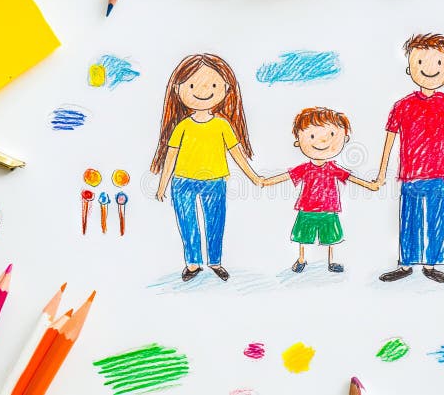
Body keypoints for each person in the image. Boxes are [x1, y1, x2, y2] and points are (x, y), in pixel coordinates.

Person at [151, 53, 262, 282]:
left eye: (212, 84)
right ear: (177, 89)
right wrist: (162, 185)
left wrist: (254, 177)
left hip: (215, 180)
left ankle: (215, 261)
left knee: (215, 221)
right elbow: (170, 157)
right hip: (182, 182)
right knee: (188, 222)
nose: (203, 91)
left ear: (226, 88)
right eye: (192, 85)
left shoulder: (222, 125)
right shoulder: (182, 126)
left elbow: (236, 153)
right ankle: (192, 264)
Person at [376, 34, 444, 283]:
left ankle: (431, 265)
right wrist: (380, 172)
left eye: (439, 64)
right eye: (421, 63)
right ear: (409, 67)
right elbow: (389, 140)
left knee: (437, 221)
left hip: (440, 176)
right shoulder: (402, 106)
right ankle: (406, 263)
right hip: (410, 176)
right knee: (409, 221)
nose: (430, 69)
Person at [262, 107, 378, 273]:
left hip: (329, 209)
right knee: (302, 236)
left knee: (331, 237)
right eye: (312, 136)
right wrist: (266, 182)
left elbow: (351, 178)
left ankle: (331, 262)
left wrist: (370, 185)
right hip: (307, 208)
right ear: (298, 141)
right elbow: (286, 176)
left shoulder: (333, 168)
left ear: (344, 138)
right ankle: (301, 259)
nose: (322, 142)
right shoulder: (305, 168)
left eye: (331, 135)